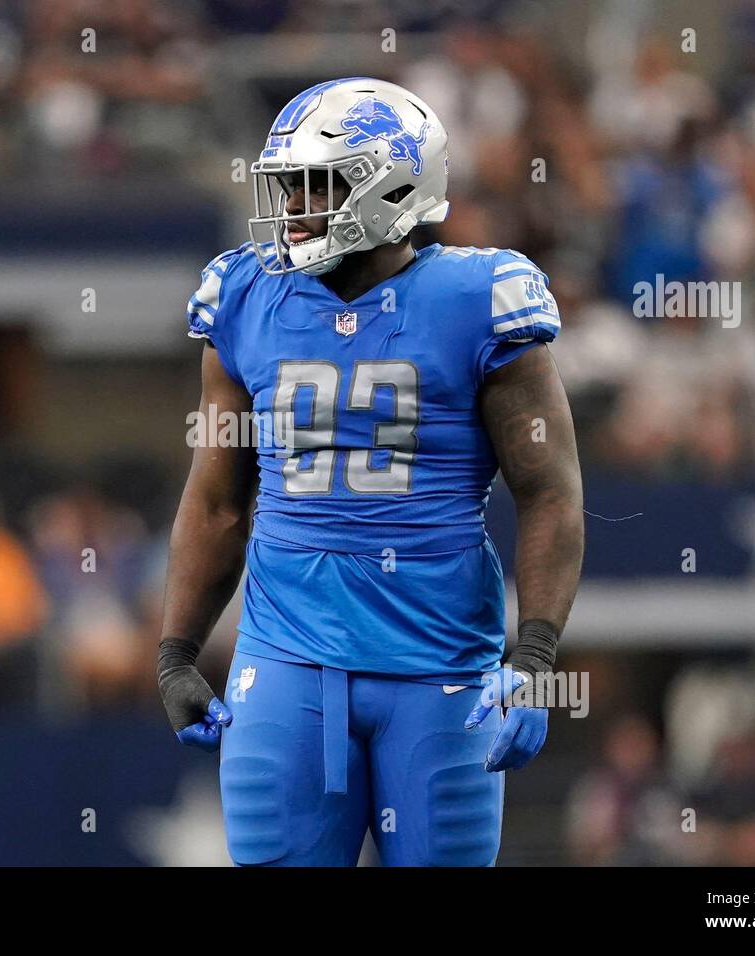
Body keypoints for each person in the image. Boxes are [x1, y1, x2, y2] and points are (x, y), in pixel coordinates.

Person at [157, 78, 584, 866]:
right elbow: (218, 500)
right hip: (287, 658)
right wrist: (177, 651)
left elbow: (550, 493)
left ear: (390, 186)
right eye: (287, 186)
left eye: (314, 186)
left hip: (441, 666)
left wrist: (534, 658)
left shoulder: (480, 298)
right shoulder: (245, 295)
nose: (291, 207)